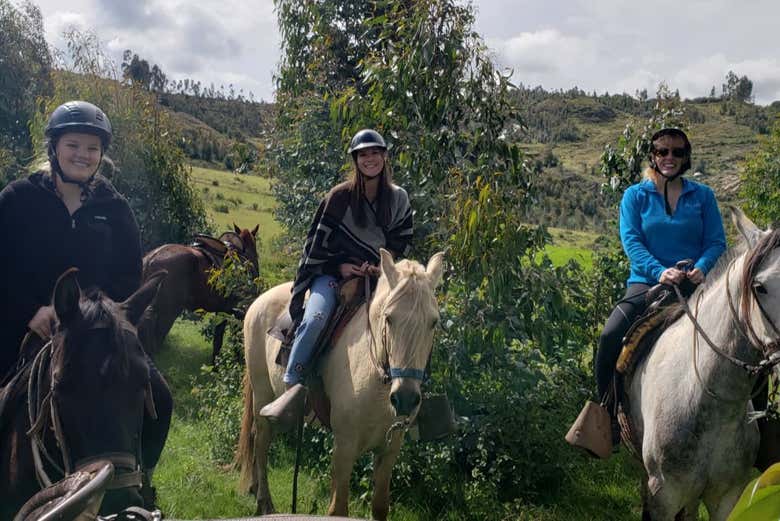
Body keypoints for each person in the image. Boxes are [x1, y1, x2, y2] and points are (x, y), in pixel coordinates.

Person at [0, 100, 171, 506]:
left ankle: (136, 483)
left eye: (92, 148)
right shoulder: (18, 199)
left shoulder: (114, 210)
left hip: (94, 334)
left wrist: (102, 315)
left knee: (160, 398)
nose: (83, 155)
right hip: (21, 325)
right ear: (54, 149)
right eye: (73, 144)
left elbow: (130, 275)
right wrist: (31, 310)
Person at [261, 128, 413, 422]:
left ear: (384, 157)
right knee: (316, 317)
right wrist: (339, 267)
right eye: (363, 154)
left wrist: (382, 266)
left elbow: (401, 242)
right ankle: (292, 389)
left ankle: (416, 403)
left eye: (375, 153)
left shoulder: (398, 199)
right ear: (356, 161)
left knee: (412, 321)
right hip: (332, 276)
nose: (370, 159)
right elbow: (316, 246)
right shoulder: (339, 198)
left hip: (378, 280)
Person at [595, 127, 727, 408]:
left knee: (742, 331)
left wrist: (702, 267)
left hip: (696, 283)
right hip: (647, 284)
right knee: (609, 335)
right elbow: (632, 242)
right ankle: (605, 414)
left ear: (685, 157)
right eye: (662, 151)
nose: (670, 157)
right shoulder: (635, 196)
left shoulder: (703, 196)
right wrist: (660, 272)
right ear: (653, 156)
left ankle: (762, 424)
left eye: (677, 152)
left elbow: (716, 241)